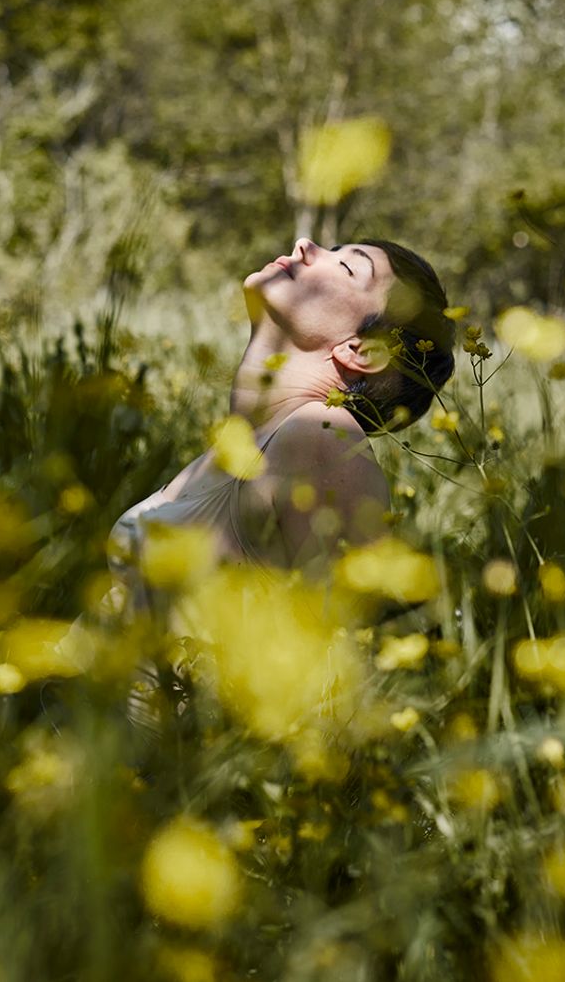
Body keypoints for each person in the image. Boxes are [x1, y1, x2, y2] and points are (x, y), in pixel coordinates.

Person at [102, 239, 456, 739]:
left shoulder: (321, 437)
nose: (306, 246)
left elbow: (342, 674)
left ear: (361, 351)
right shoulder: (244, 446)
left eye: (348, 266)